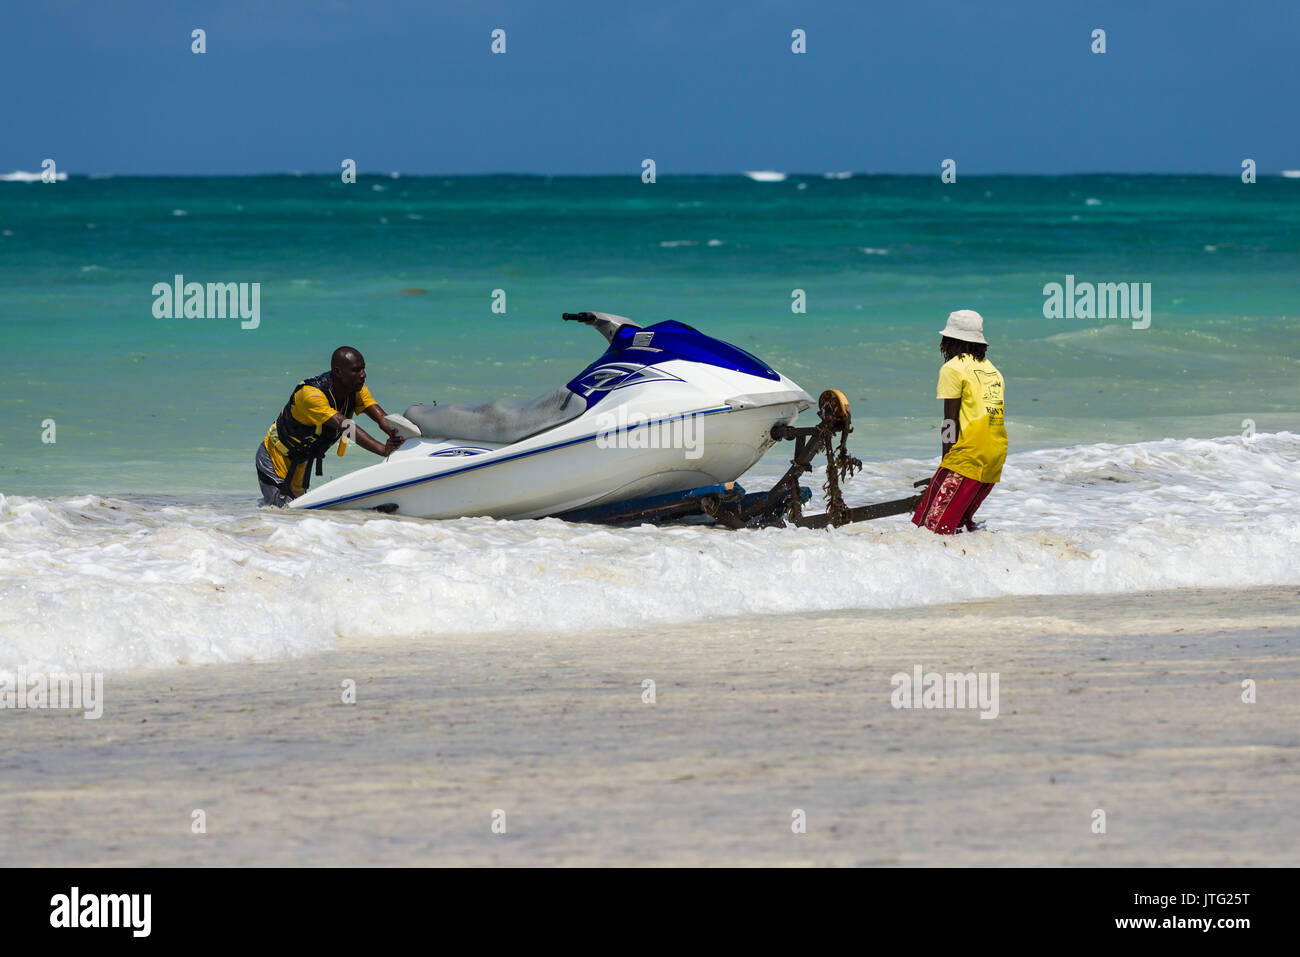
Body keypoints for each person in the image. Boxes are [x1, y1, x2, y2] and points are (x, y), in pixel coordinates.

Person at [256, 346, 404, 506]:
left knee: (297, 513)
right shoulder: (311, 395)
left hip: (301, 462)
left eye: (363, 369)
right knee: (281, 511)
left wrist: (401, 437)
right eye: (356, 370)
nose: (363, 374)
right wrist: (383, 450)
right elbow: (346, 427)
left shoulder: (356, 389)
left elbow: (382, 419)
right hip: (275, 458)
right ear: (338, 371)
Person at [911, 310, 1007, 534]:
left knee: (930, 529)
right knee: (961, 526)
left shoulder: (952, 368)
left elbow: (949, 422)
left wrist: (946, 461)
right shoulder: (993, 371)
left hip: (967, 456)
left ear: (950, 341)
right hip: (995, 456)